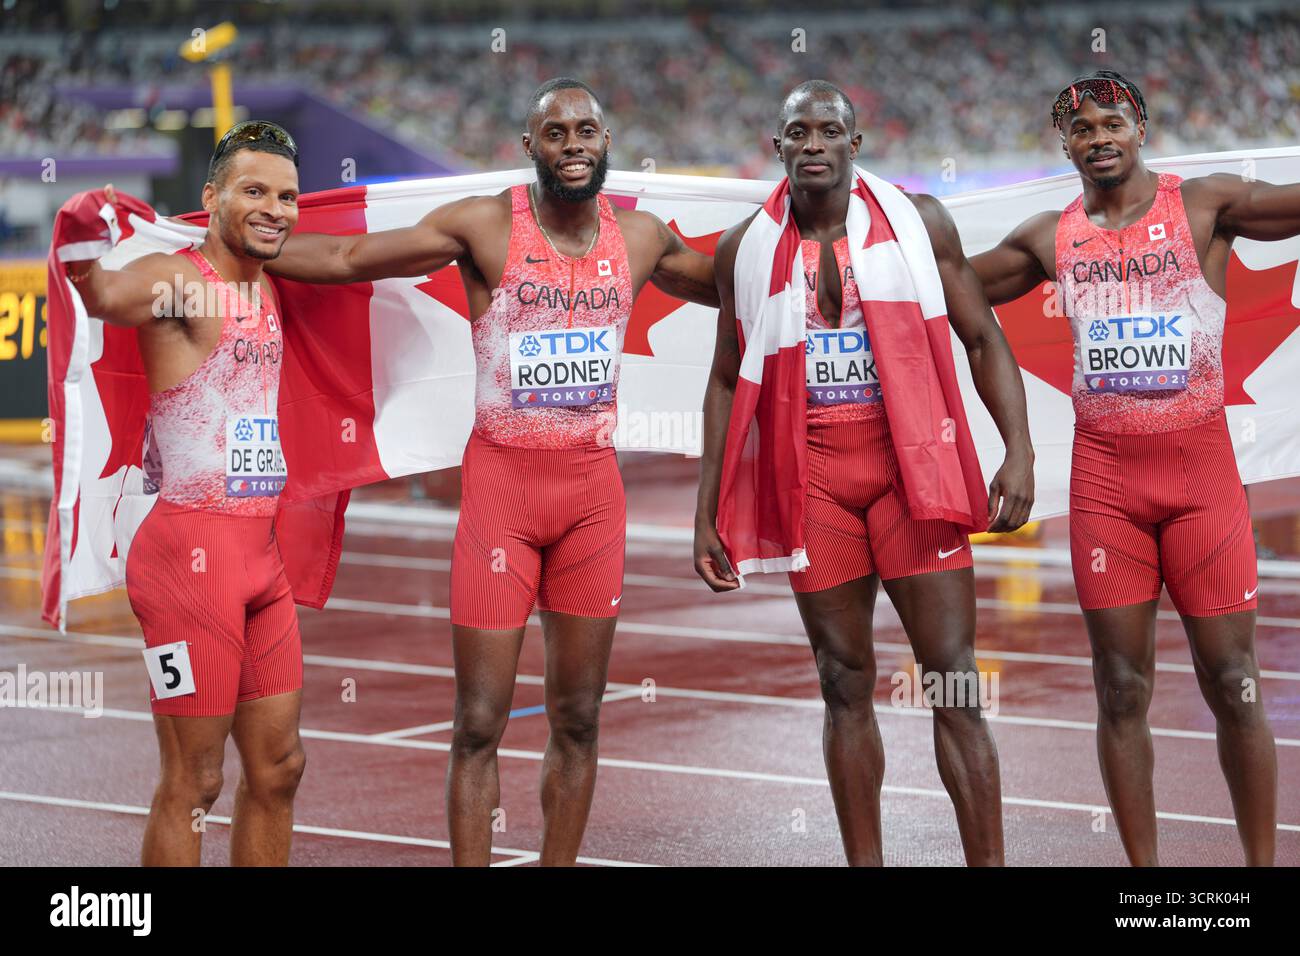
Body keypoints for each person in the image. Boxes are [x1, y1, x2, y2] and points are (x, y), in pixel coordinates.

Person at [266, 78, 719, 865]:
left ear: (606, 143)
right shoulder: (485, 226)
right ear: (529, 148)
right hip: (501, 499)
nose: (573, 144)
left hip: (591, 500)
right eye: (555, 133)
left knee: (579, 717)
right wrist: (247, 242)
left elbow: (748, 285)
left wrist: (827, 241)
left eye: (586, 130)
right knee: (478, 721)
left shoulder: (640, 238)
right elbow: (346, 256)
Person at [694, 81, 1035, 865]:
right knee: (842, 682)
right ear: (777, 147)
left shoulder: (921, 224)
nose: (812, 143)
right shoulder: (743, 248)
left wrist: (1018, 447)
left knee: (952, 681)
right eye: (796, 132)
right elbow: (723, 376)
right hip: (812, 480)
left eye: (828, 130)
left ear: (856, 143)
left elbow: (982, 338)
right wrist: (706, 506)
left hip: (909, 470)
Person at [971, 70, 1297, 865]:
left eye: (1112, 122)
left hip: (1202, 479)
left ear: (1142, 128)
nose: (1099, 138)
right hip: (1107, 485)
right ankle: (1145, 883)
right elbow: (942, 289)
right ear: (1067, 146)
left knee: (1233, 680)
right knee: (1120, 687)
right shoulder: (1050, 236)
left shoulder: (1206, 207)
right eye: (1082, 130)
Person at [61, 121, 307, 865]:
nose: (275, 208)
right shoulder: (180, 281)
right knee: (194, 781)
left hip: (261, 562)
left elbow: (357, 255)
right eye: (255, 191)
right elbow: (103, 293)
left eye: (288, 196)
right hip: (185, 563)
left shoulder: (266, 284)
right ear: (211, 199)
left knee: (279, 768)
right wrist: (79, 244)